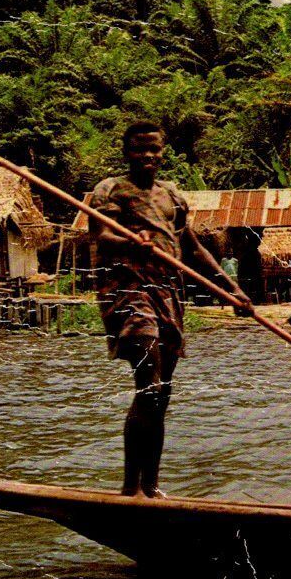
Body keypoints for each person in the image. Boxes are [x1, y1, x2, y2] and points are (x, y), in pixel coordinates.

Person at [89, 122, 252, 498]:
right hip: (128, 290)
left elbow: (194, 248)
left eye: (154, 149)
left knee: (161, 391)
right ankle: (130, 490)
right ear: (126, 152)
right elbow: (102, 237)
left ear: (163, 151)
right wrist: (135, 245)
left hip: (168, 294)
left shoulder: (172, 196)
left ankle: (151, 485)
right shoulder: (110, 190)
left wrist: (233, 290)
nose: (147, 156)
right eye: (138, 150)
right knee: (148, 382)